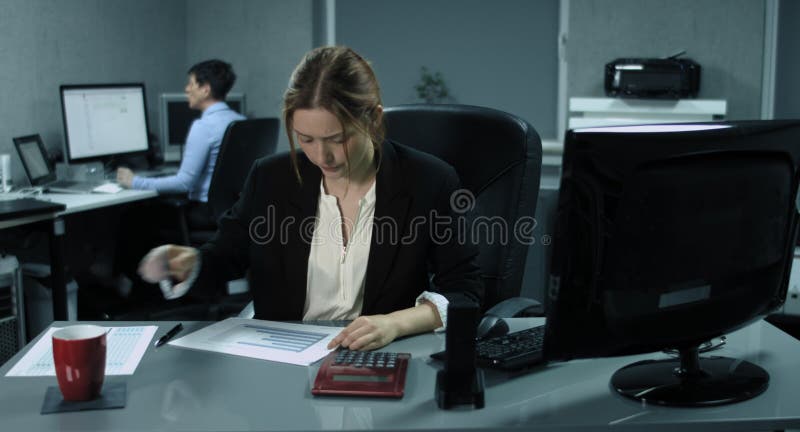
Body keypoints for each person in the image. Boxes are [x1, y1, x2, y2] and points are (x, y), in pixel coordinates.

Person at [138, 46, 483, 350]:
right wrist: (188, 264)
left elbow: (464, 291)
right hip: (282, 356)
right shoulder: (271, 178)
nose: (322, 157)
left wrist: (394, 323)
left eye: (338, 138)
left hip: (378, 354)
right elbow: (225, 255)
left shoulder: (429, 180)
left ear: (374, 120)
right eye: (306, 139)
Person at [117, 59, 245, 226]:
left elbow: (184, 183)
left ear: (205, 89)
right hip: (232, 212)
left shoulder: (204, 127)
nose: (186, 89)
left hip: (204, 213)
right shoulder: (241, 122)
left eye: (191, 84)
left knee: (133, 214)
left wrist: (135, 181)